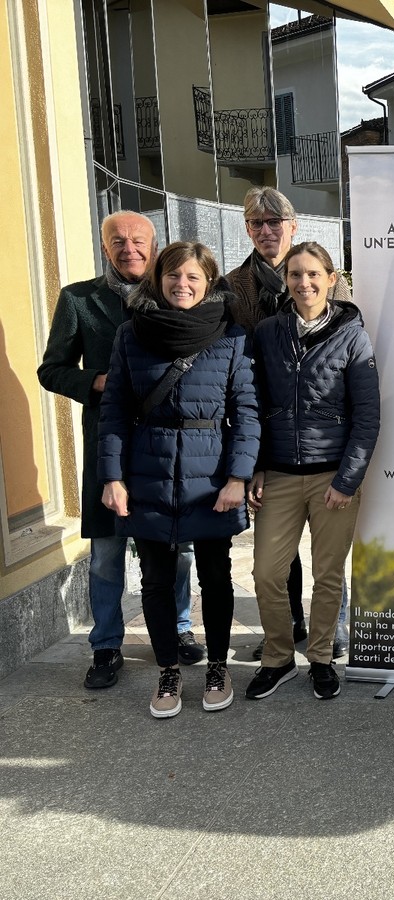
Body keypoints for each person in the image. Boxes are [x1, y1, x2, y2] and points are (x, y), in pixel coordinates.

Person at [37, 211, 203, 690]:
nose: (129, 247)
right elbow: (52, 369)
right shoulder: (79, 299)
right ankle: (106, 645)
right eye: (118, 240)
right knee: (107, 553)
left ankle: (178, 629)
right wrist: (97, 382)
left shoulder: (174, 293)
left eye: (138, 239)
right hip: (108, 442)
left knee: (178, 545)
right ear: (105, 246)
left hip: (167, 444)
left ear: (154, 245)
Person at [97, 241, 258, 718]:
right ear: (157, 279)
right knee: (155, 580)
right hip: (146, 473)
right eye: (172, 275)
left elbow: (246, 413)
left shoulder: (231, 337)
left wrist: (238, 477)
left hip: (210, 477)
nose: (181, 284)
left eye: (192, 276)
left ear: (208, 282)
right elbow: (115, 412)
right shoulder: (131, 334)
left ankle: (216, 666)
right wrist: (112, 477)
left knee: (216, 576)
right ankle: (167, 669)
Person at [246, 241, 380, 701]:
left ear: (330, 277)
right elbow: (254, 404)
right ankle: (279, 658)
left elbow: (367, 415)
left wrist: (348, 479)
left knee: (328, 574)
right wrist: (259, 465)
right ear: (285, 281)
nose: (303, 283)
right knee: (267, 571)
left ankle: (321, 658)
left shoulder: (352, 335)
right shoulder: (267, 332)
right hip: (279, 473)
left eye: (312, 274)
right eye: (294, 275)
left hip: (332, 477)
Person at [226, 187, 353, 659]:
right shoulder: (234, 287)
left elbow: (349, 341)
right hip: (270, 430)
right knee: (276, 555)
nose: (266, 230)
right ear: (248, 230)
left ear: (292, 225)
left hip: (323, 434)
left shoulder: (325, 276)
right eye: (256, 223)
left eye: (274, 222)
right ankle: (288, 627)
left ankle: (332, 626)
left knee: (329, 555)